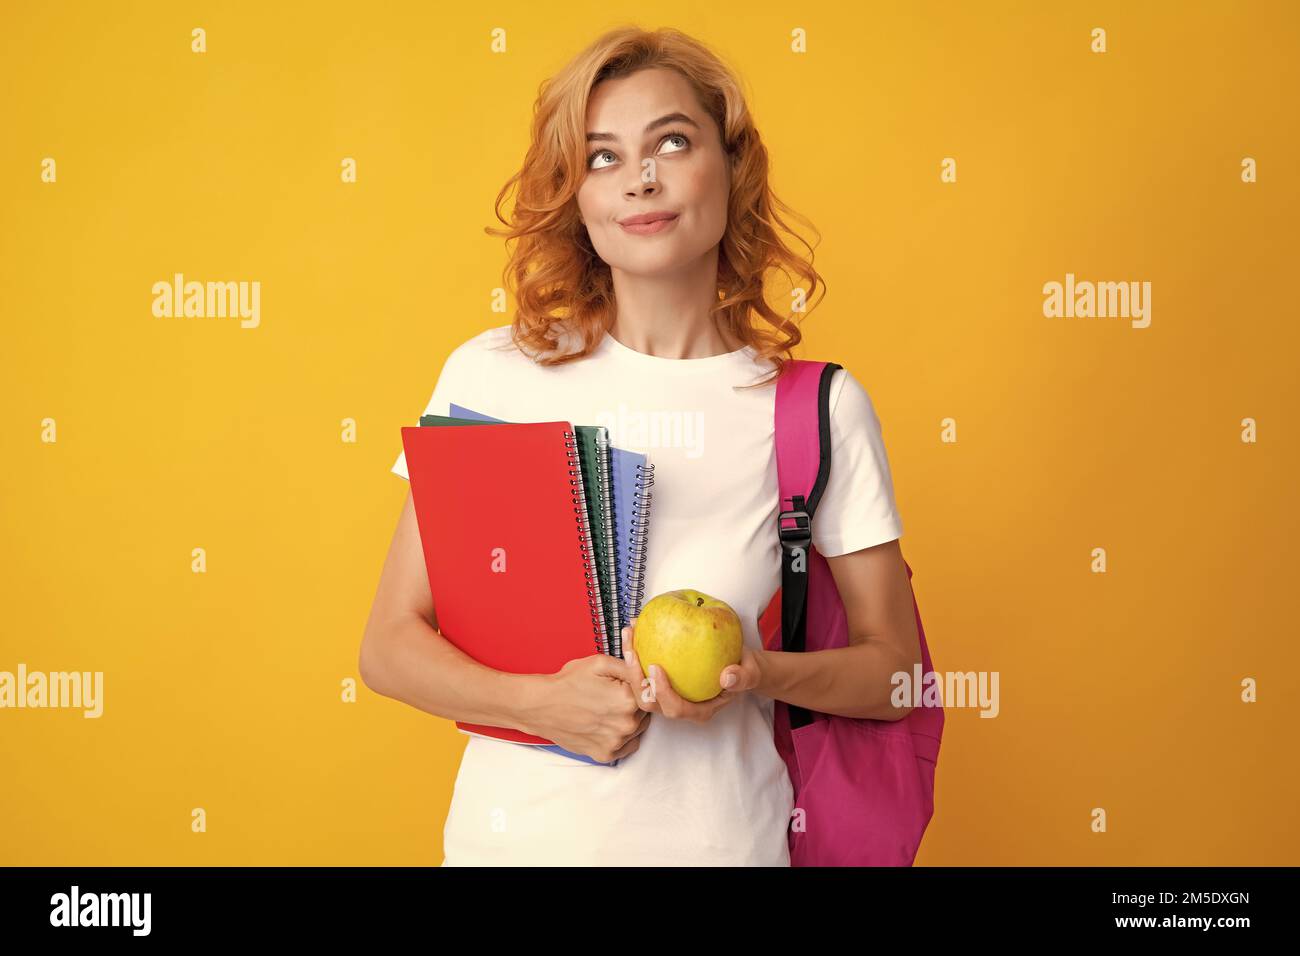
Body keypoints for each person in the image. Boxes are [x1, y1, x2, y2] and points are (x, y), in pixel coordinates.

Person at [359, 25, 922, 866]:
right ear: (577, 199)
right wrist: (537, 704)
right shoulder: (494, 376)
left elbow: (894, 677)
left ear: (732, 168)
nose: (642, 179)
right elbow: (388, 647)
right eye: (602, 157)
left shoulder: (817, 410)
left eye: (672, 141)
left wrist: (760, 675)